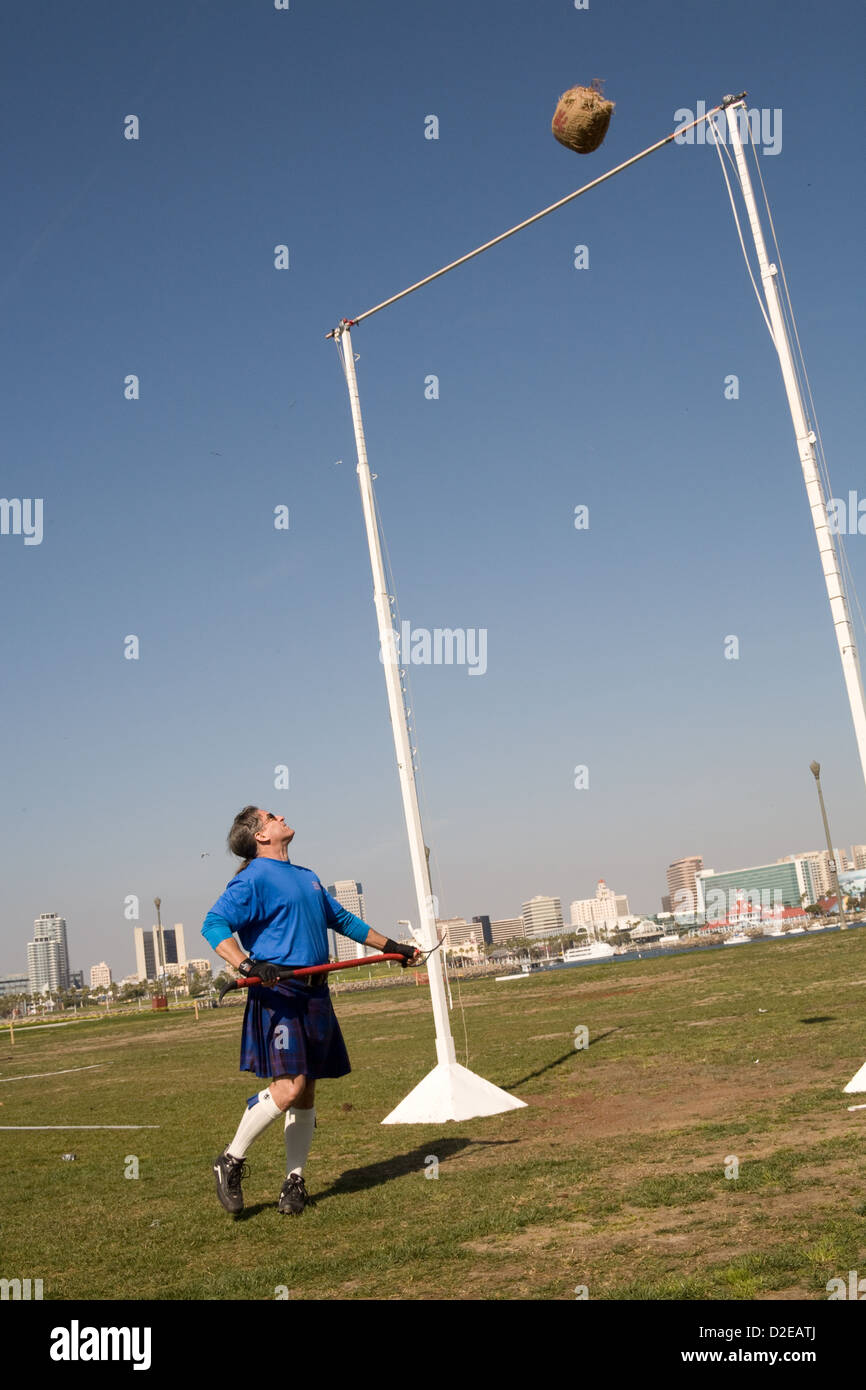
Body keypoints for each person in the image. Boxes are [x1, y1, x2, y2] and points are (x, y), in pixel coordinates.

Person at [202, 805, 421, 1216]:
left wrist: (394, 949)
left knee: (306, 1092)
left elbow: (343, 921)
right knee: (289, 1088)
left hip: (317, 995)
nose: (280, 815)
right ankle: (230, 1160)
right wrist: (248, 965)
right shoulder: (251, 880)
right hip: (279, 994)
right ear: (260, 836)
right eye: (270, 816)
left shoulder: (307, 877)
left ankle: (294, 1182)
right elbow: (214, 925)